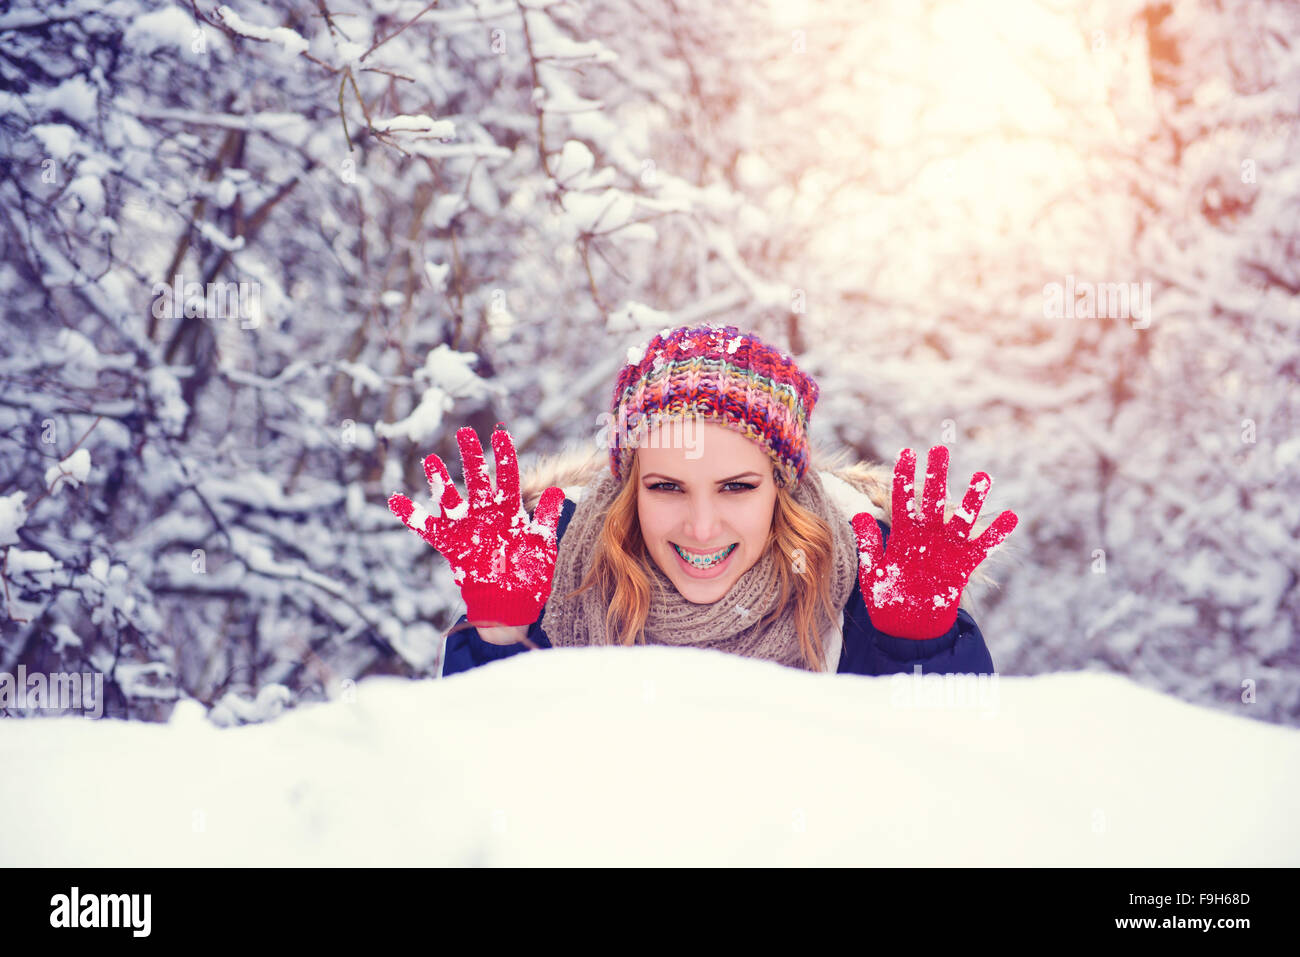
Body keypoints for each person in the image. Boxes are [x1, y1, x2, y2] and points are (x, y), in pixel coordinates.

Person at [388, 323, 1019, 678]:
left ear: (784, 489)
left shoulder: (863, 588)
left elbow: (939, 799)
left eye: (738, 488)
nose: (701, 526)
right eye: (665, 487)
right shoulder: (544, 572)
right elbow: (484, 793)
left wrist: (918, 646)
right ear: (627, 488)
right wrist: (499, 635)